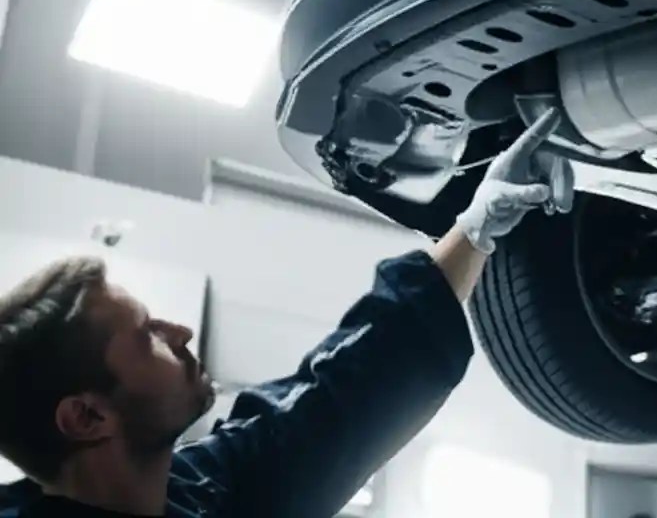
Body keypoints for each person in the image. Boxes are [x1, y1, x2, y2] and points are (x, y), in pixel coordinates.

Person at [0, 110, 572, 517]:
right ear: (87, 418)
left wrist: (473, 228)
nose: (180, 332)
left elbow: (340, 403)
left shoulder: (205, 491)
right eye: (146, 336)